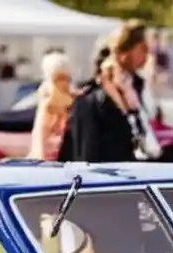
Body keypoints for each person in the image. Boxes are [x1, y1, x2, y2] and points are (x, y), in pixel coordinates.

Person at [63, 24, 151, 163]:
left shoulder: (136, 87)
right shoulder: (91, 100)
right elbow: (86, 154)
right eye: (143, 48)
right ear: (124, 52)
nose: (147, 54)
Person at [29, 51, 75, 161]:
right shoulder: (48, 100)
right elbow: (41, 134)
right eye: (59, 78)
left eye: (66, 78)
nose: (64, 83)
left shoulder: (71, 98)